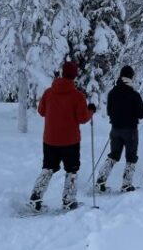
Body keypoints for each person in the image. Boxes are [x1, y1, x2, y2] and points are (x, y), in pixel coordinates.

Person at [28, 61, 96, 212]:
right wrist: (91, 111)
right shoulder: (78, 96)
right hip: (70, 141)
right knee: (72, 170)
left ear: (62, 73)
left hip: (50, 139)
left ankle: (36, 197)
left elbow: (41, 111)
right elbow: (83, 118)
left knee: (48, 167)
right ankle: (68, 201)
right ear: (75, 76)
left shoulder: (49, 92)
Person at [95, 65, 143, 193]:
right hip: (130, 130)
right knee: (131, 157)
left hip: (115, 129)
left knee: (113, 155)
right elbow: (141, 114)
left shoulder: (112, 93)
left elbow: (109, 111)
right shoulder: (134, 94)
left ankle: (100, 180)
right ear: (131, 77)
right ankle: (126, 184)